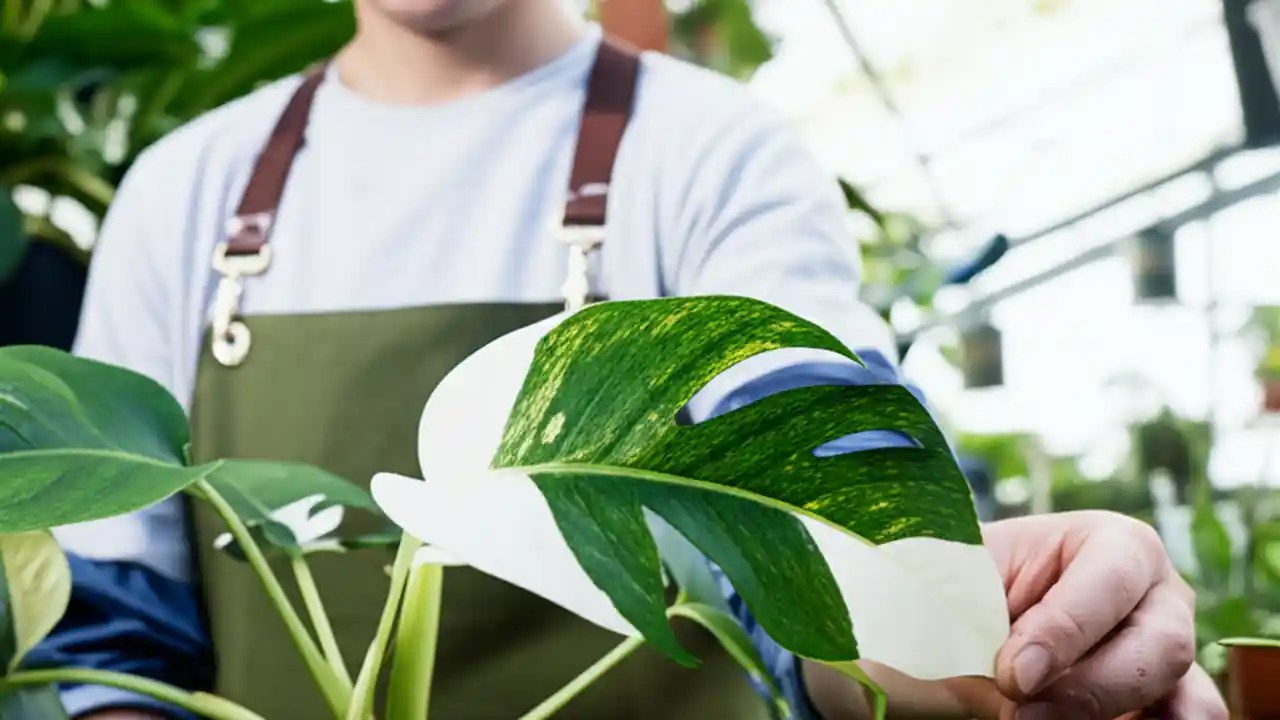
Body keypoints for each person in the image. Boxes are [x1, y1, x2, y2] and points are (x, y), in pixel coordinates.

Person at [34, 0, 1225, 718]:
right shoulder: (187, 192)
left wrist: (991, 634)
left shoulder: (711, 158)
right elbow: (110, 631)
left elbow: (812, 556)